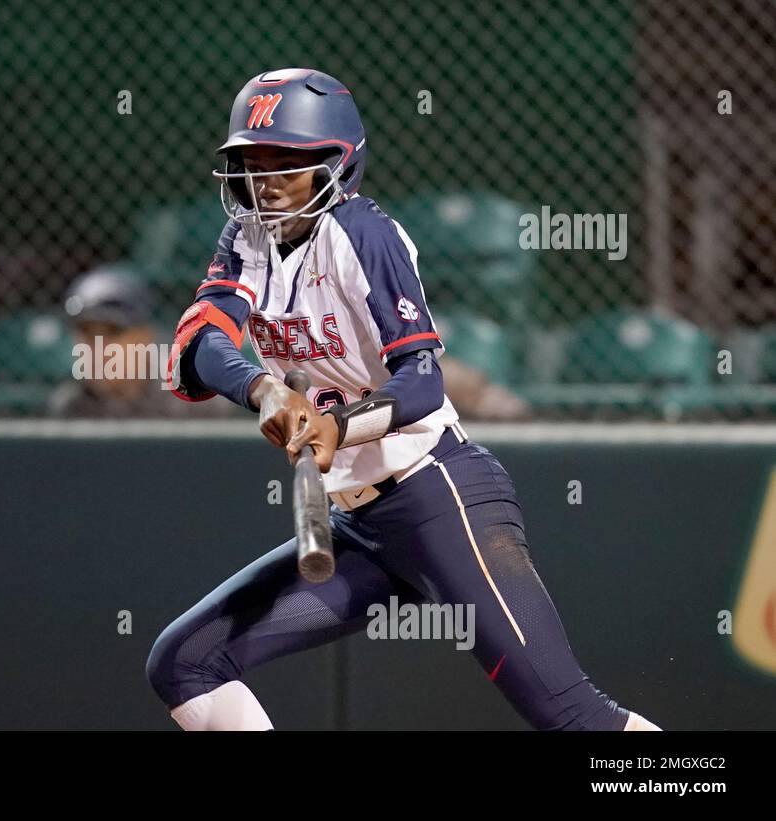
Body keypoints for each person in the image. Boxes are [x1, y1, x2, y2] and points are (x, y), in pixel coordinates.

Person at [144, 68, 660, 731]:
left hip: (438, 497)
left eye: (287, 162)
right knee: (183, 662)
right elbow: (198, 345)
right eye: (251, 162)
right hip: (357, 526)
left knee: (569, 713)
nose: (266, 181)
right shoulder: (246, 238)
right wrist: (263, 387)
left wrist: (337, 426)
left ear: (336, 163)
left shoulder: (364, 235)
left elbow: (422, 381)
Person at [48, 266, 238, 418]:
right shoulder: (72, 406)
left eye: (113, 333)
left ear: (145, 336)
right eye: (88, 335)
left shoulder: (193, 400)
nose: (99, 348)